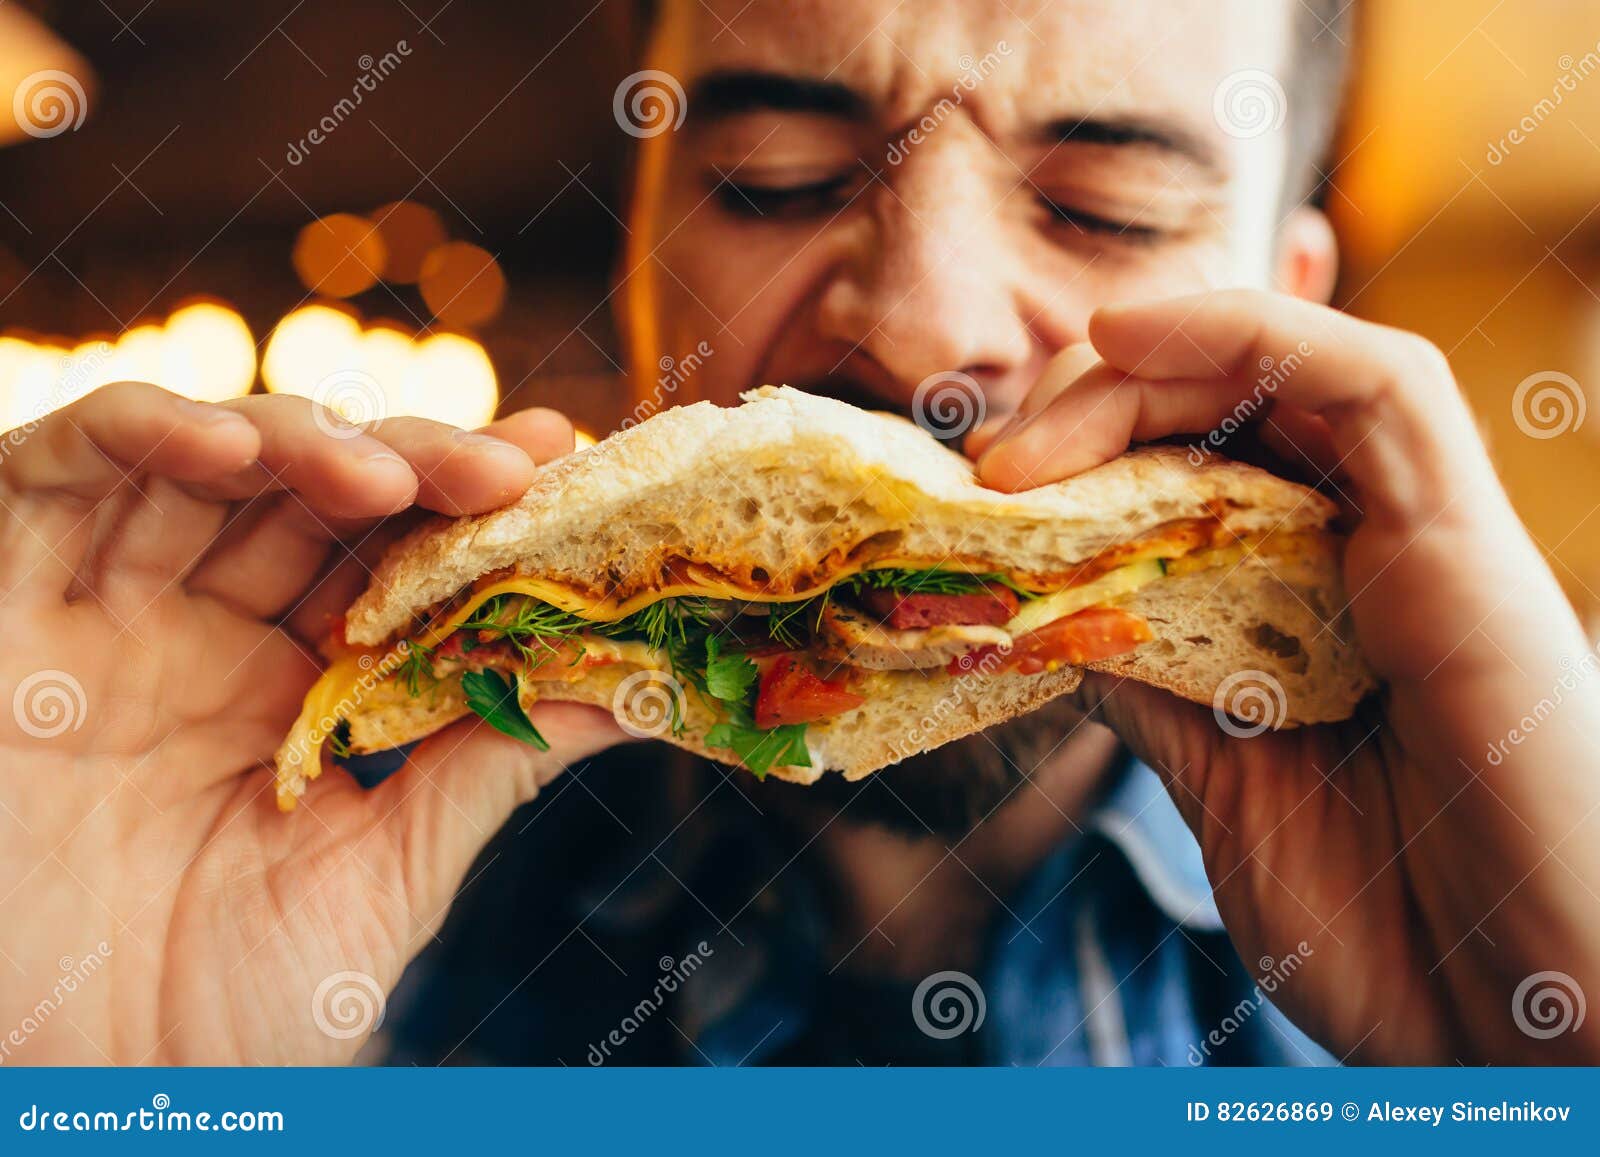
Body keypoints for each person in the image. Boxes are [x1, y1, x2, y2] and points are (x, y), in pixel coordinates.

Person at [1, 0, 1596, 1066]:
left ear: (1291, 307)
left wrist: (1540, 1059)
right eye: (776, 178)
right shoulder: (290, 882)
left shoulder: (1501, 914)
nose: (920, 328)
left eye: (1103, 207)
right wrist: (94, 1074)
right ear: (638, 241)